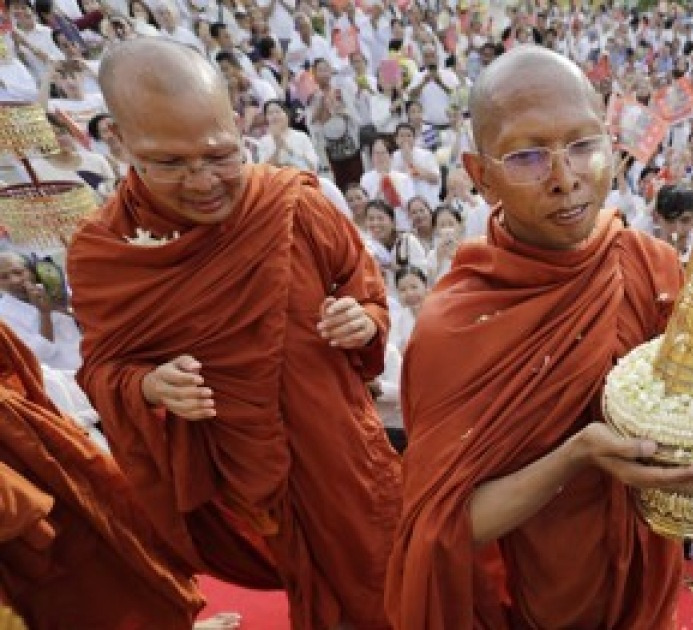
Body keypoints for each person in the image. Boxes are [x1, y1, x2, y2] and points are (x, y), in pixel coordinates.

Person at [385, 45, 693, 629]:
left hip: (644, 565)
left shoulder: (651, 266)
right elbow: (448, 526)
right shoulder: (457, 327)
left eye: (583, 145)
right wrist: (576, 456)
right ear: (479, 175)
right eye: (527, 155)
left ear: (612, 149)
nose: (566, 180)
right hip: (532, 593)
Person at [66, 39, 402, 628]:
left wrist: (363, 319)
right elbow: (100, 372)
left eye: (219, 155)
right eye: (169, 163)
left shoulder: (291, 204)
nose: (202, 182)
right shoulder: (105, 254)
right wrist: (149, 387)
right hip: (244, 480)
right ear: (119, 144)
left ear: (236, 127)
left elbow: (363, 287)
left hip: (344, 455)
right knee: (312, 591)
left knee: (389, 585)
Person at [0, 321, 206, 628]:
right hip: (21, 499)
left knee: (111, 564)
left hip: (50, 465)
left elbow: (41, 384)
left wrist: (140, 386)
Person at [0, 252, 82, 371]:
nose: (15, 280)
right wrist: (45, 314)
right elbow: (38, 354)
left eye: (18, 272)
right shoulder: (4, 314)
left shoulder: (53, 288)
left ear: (31, 271)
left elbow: (92, 319)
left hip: (93, 358)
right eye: (3, 277)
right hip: (64, 376)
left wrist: (58, 307)